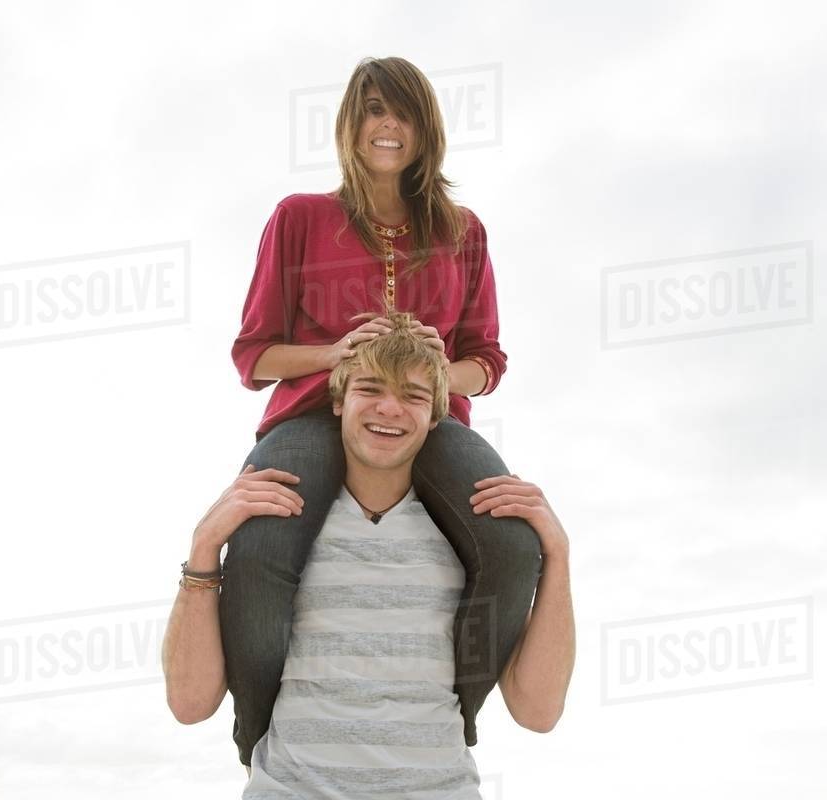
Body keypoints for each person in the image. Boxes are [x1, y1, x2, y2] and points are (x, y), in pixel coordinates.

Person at [219, 55, 544, 768]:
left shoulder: (464, 231)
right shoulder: (300, 217)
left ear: (426, 130)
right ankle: (256, 735)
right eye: (373, 110)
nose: (387, 125)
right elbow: (253, 356)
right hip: (311, 414)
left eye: (403, 113)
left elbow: (487, 361)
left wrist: (435, 370)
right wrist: (334, 353)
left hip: (430, 422)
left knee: (515, 544)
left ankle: (456, 718)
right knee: (259, 544)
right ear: (350, 124)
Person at [162, 311, 575, 797]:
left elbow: (538, 711)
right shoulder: (278, 527)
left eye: (414, 396)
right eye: (370, 388)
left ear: (437, 415)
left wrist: (558, 554)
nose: (390, 408)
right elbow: (189, 703)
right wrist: (204, 546)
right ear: (338, 401)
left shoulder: (468, 537)